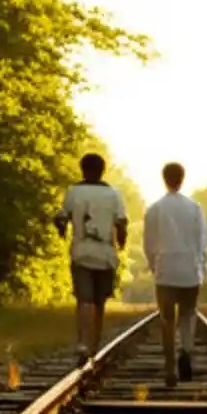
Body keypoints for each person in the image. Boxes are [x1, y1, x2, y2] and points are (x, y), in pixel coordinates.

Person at [55, 153, 128, 365]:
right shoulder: (114, 194)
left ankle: (83, 343)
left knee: (84, 300)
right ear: (103, 170)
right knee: (99, 301)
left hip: (81, 252)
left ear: (82, 169)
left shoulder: (74, 192)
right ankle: (95, 346)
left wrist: (62, 229)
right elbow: (121, 223)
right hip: (105, 254)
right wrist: (121, 243)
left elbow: (61, 217)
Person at [143, 162, 207, 386]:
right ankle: (187, 350)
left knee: (167, 319)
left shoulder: (155, 209)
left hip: (166, 268)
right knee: (188, 314)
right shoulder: (195, 208)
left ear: (164, 179)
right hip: (189, 268)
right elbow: (202, 241)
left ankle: (170, 367)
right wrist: (201, 266)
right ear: (183, 178)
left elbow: (149, 243)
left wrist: (154, 266)